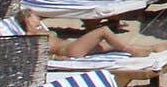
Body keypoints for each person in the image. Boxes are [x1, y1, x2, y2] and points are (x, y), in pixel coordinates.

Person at [20, 10, 148, 63]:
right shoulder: (30, 36)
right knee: (103, 31)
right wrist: (57, 58)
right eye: (35, 16)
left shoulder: (41, 29)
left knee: (107, 45)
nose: (39, 18)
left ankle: (150, 48)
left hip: (73, 46)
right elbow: (38, 56)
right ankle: (133, 51)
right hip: (69, 51)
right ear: (27, 19)